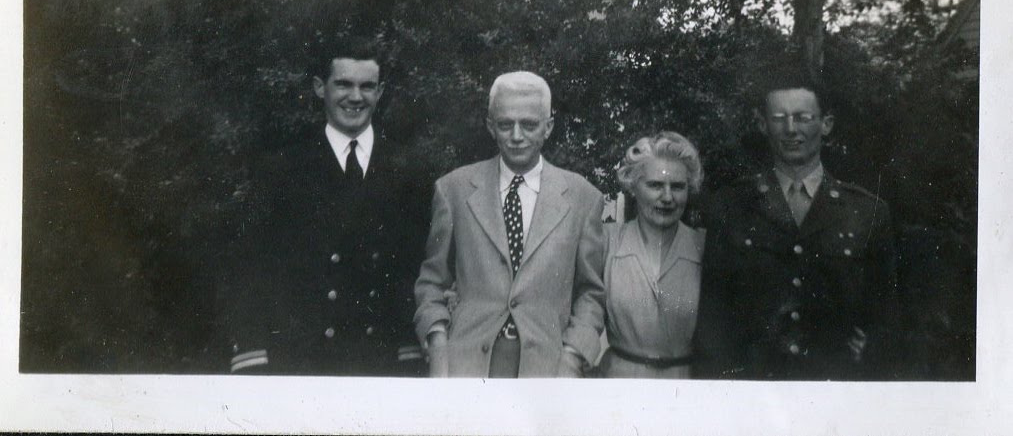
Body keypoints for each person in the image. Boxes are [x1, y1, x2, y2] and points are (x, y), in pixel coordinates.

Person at [222, 36, 426, 375]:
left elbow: (416, 270)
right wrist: (251, 353)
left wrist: (410, 352)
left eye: (367, 86)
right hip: (303, 363)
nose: (355, 97)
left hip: (382, 361)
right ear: (320, 88)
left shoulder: (407, 170)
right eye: (343, 84)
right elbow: (250, 269)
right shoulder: (281, 168)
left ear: (381, 91)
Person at [694, 70, 899, 380]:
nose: (791, 129)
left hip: (834, 392)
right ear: (763, 124)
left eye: (803, 117)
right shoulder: (731, 206)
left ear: (826, 124)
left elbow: (885, 322)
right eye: (779, 118)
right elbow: (712, 319)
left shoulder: (867, 212)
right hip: (754, 391)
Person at [413, 72, 606, 378]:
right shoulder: (454, 189)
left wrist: (572, 358)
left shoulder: (583, 197)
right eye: (506, 124)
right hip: (466, 367)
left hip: (548, 370)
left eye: (529, 125)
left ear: (548, 127)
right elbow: (431, 283)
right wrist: (438, 349)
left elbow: (592, 295)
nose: (517, 136)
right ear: (491, 126)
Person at [599, 131, 705, 379]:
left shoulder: (704, 247)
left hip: (685, 387)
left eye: (678, 187)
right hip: (618, 386)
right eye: (655, 185)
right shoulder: (607, 242)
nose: (667, 198)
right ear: (633, 186)